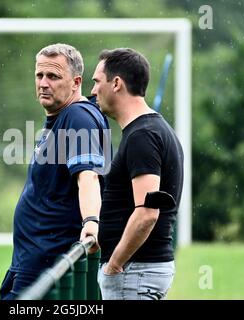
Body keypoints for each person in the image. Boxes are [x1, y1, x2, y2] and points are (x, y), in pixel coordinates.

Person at [0, 43, 111, 300]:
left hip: (47, 261)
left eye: (53, 76)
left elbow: (88, 176)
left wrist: (91, 222)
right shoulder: (62, 116)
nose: (43, 83)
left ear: (76, 82)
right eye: (39, 75)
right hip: (32, 257)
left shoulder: (77, 116)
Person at [90, 48, 184, 300]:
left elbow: (147, 213)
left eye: (97, 82)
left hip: (134, 272)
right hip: (138, 270)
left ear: (117, 83)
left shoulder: (143, 136)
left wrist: (114, 265)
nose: (93, 91)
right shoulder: (151, 130)